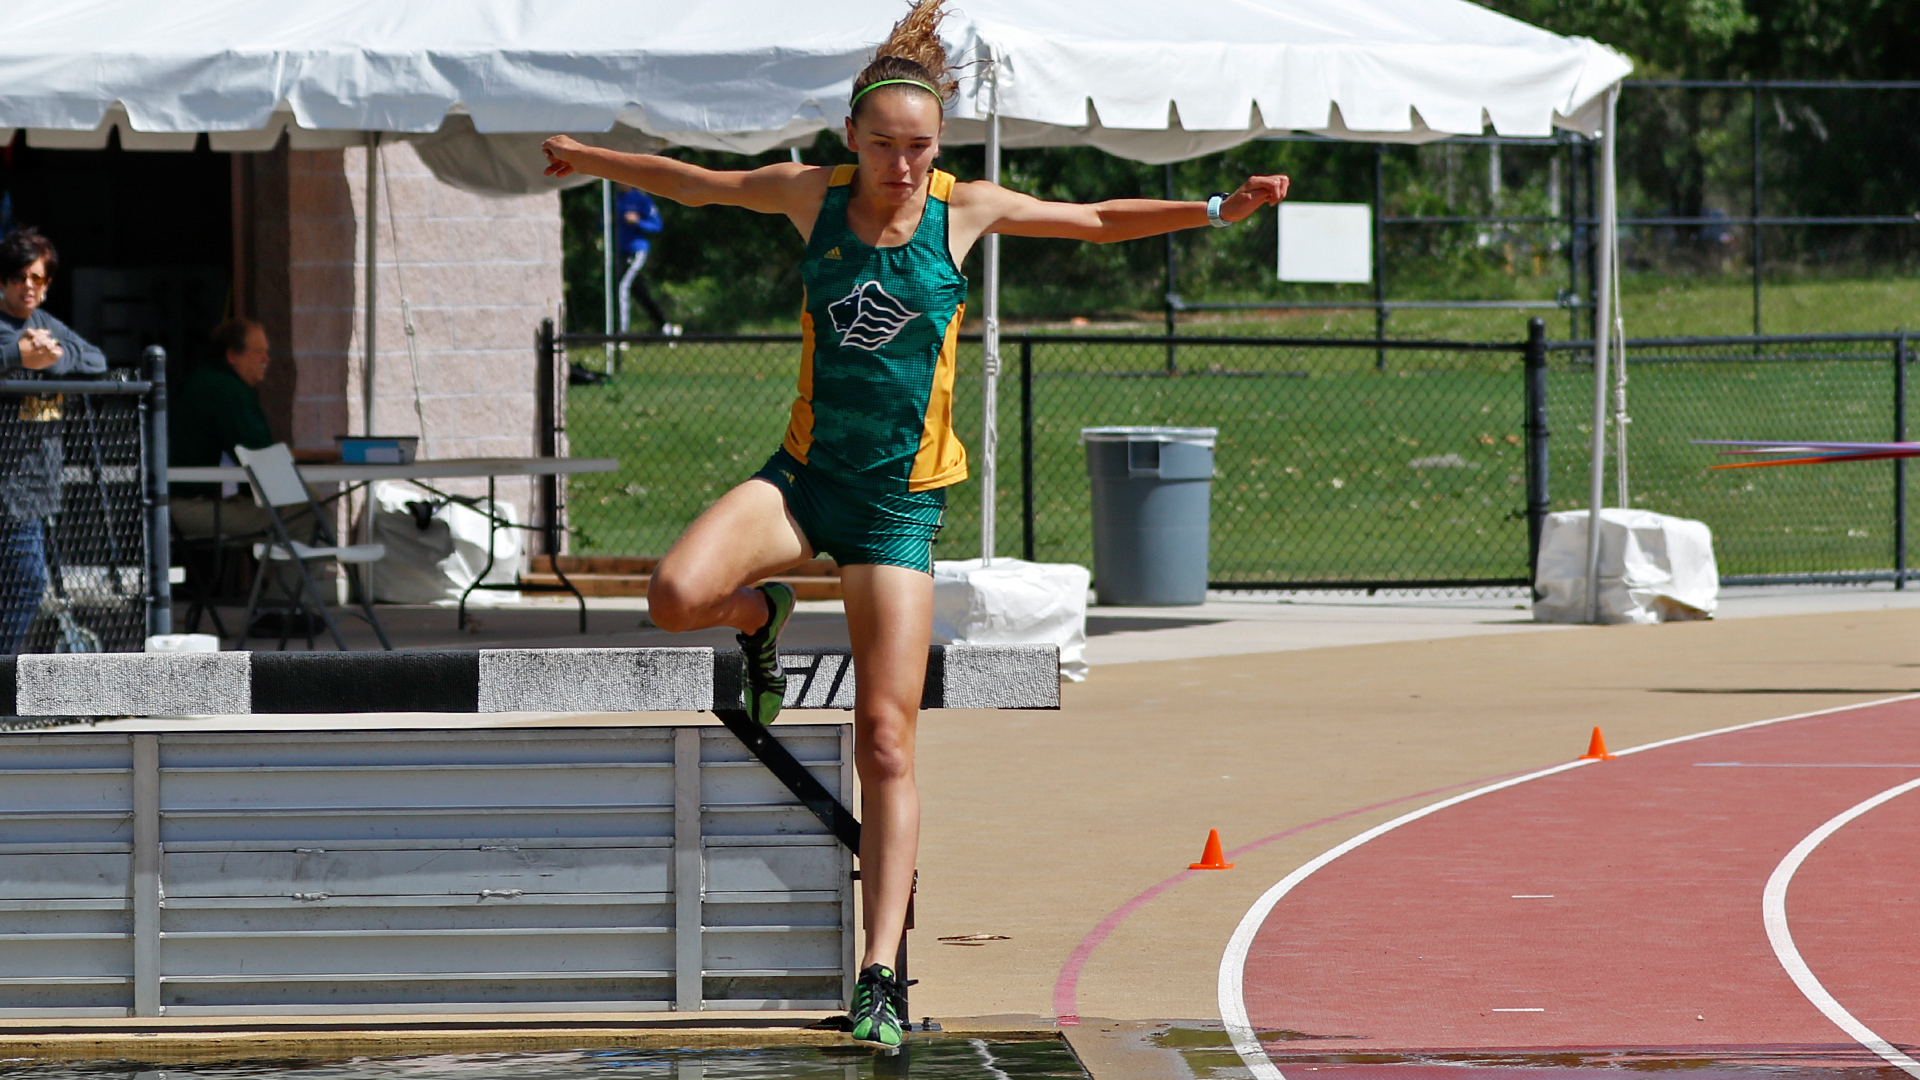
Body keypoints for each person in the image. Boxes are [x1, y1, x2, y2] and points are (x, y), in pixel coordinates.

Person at [543, 0, 1288, 1049]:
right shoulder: (812, 196)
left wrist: (1218, 207)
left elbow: (1094, 220)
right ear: (850, 138)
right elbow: (698, 184)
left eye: (919, 148)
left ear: (938, 148)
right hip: (804, 480)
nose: (901, 167)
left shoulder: (963, 208)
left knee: (885, 742)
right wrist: (594, 159)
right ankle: (760, 613)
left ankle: (878, 968)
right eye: (884, 147)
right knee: (671, 597)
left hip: (897, 507)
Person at [0, 227, 108, 653]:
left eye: (38, 278)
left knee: (19, 584)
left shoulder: (45, 325)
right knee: (26, 581)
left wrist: (54, 358)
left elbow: (95, 359)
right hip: (6, 482)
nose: (29, 285)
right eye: (20, 276)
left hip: (36, 485)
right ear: (4, 279)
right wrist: (19, 357)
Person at [169, 317, 309, 539]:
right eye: (258, 352)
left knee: (301, 504)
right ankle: (310, 575)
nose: (266, 359)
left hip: (184, 506)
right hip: (195, 508)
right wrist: (318, 458)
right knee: (308, 508)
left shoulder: (208, 380)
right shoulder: (227, 390)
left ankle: (291, 573)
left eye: (267, 352)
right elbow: (260, 454)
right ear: (232, 355)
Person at [613, 184, 674, 334]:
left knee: (622, 286)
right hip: (620, 251)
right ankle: (664, 325)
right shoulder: (613, 199)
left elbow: (656, 225)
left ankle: (622, 333)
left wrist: (638, 222)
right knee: (639, 291)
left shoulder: (641, 199)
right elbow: (601, 224)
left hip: (636, 250)